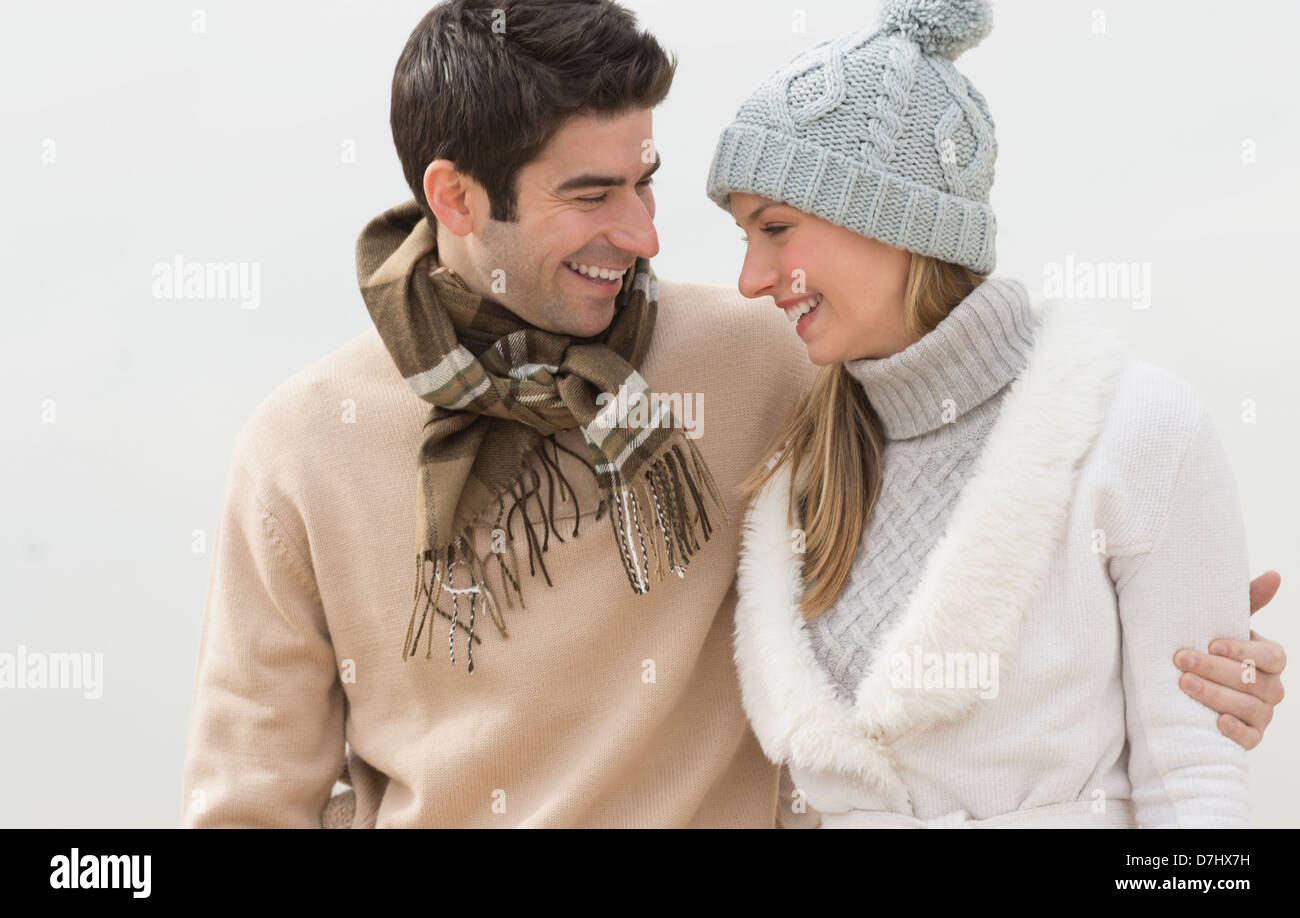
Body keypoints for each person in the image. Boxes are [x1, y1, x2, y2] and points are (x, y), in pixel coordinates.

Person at [180, 0, 1286, 829]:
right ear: (457, 197)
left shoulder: (769, 366)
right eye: (591, 196)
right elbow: (248, 805)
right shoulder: (299, 451)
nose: (648, 235)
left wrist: (1177, 655)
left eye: (644, 180)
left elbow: (994, 444)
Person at [712, 0, 1281, 827]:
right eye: (741, 238)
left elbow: (1194, 788)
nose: (751, 278)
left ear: (896, 219)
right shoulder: (798, 472)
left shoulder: (1138, 429)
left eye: (776, 228)